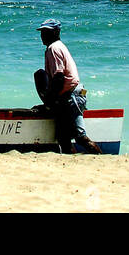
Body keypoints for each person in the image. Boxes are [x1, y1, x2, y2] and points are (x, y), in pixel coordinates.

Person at [34, 18, 102, 154]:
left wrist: (50, 101)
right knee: (63, 138)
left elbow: (59, 78)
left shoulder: (54, 48)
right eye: (42, 32)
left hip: (71, 96)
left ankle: (100, 157)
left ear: (55, 33)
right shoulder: (55, 47)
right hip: (70, 94)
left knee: (80, 137)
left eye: (46, 32)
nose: (42, 35)